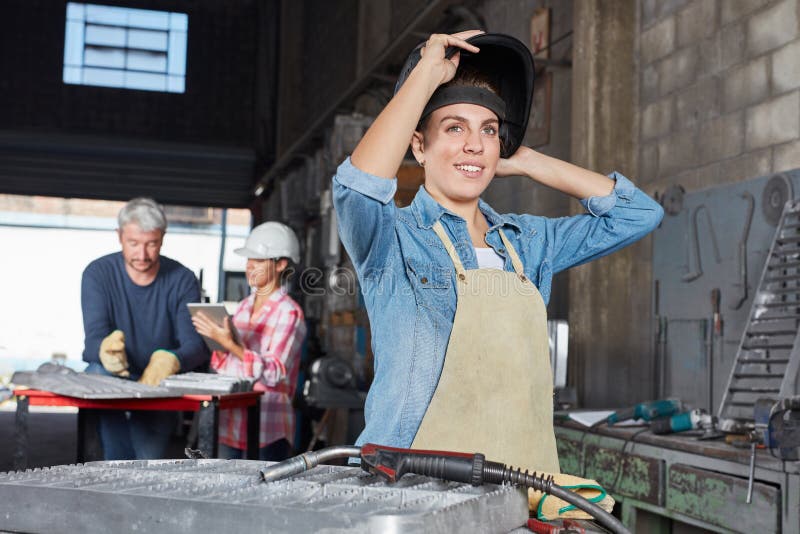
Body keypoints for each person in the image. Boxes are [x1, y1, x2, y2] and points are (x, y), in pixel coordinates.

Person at [332, 31, 664, 474]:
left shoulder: (528, 242)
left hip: (513, 483)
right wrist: (427, 73)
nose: (474, 144)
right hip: (409, 483)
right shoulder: (391, 239)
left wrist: (526, 160)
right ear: (419, 145)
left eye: (488, 130)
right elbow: (357, 188)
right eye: (454, 128)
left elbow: (638, 214)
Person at [82, 197, 209, 460]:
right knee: (97, 372)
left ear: (162, 238)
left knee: (146, 466)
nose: (142, 255)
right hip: (113, 379)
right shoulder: (97, 274)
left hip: (159, 383)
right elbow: (92, 341)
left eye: (151, 244)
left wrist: (173, 359)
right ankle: (114, 465)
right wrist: (105, 351)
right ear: (119, 236)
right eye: (133, 243)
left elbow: (196, 346)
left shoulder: (183, 279)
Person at [192, 222, 306, 461]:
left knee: (264, 485)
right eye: (248, 259)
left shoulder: (289, 313)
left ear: (281, 264)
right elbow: (227, 367)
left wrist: (231, 345)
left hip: (268, 427)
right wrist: (217, 343)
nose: (249, 266)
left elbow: (275, 373)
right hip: (231, 421)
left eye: (258, 260)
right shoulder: (243, 307)